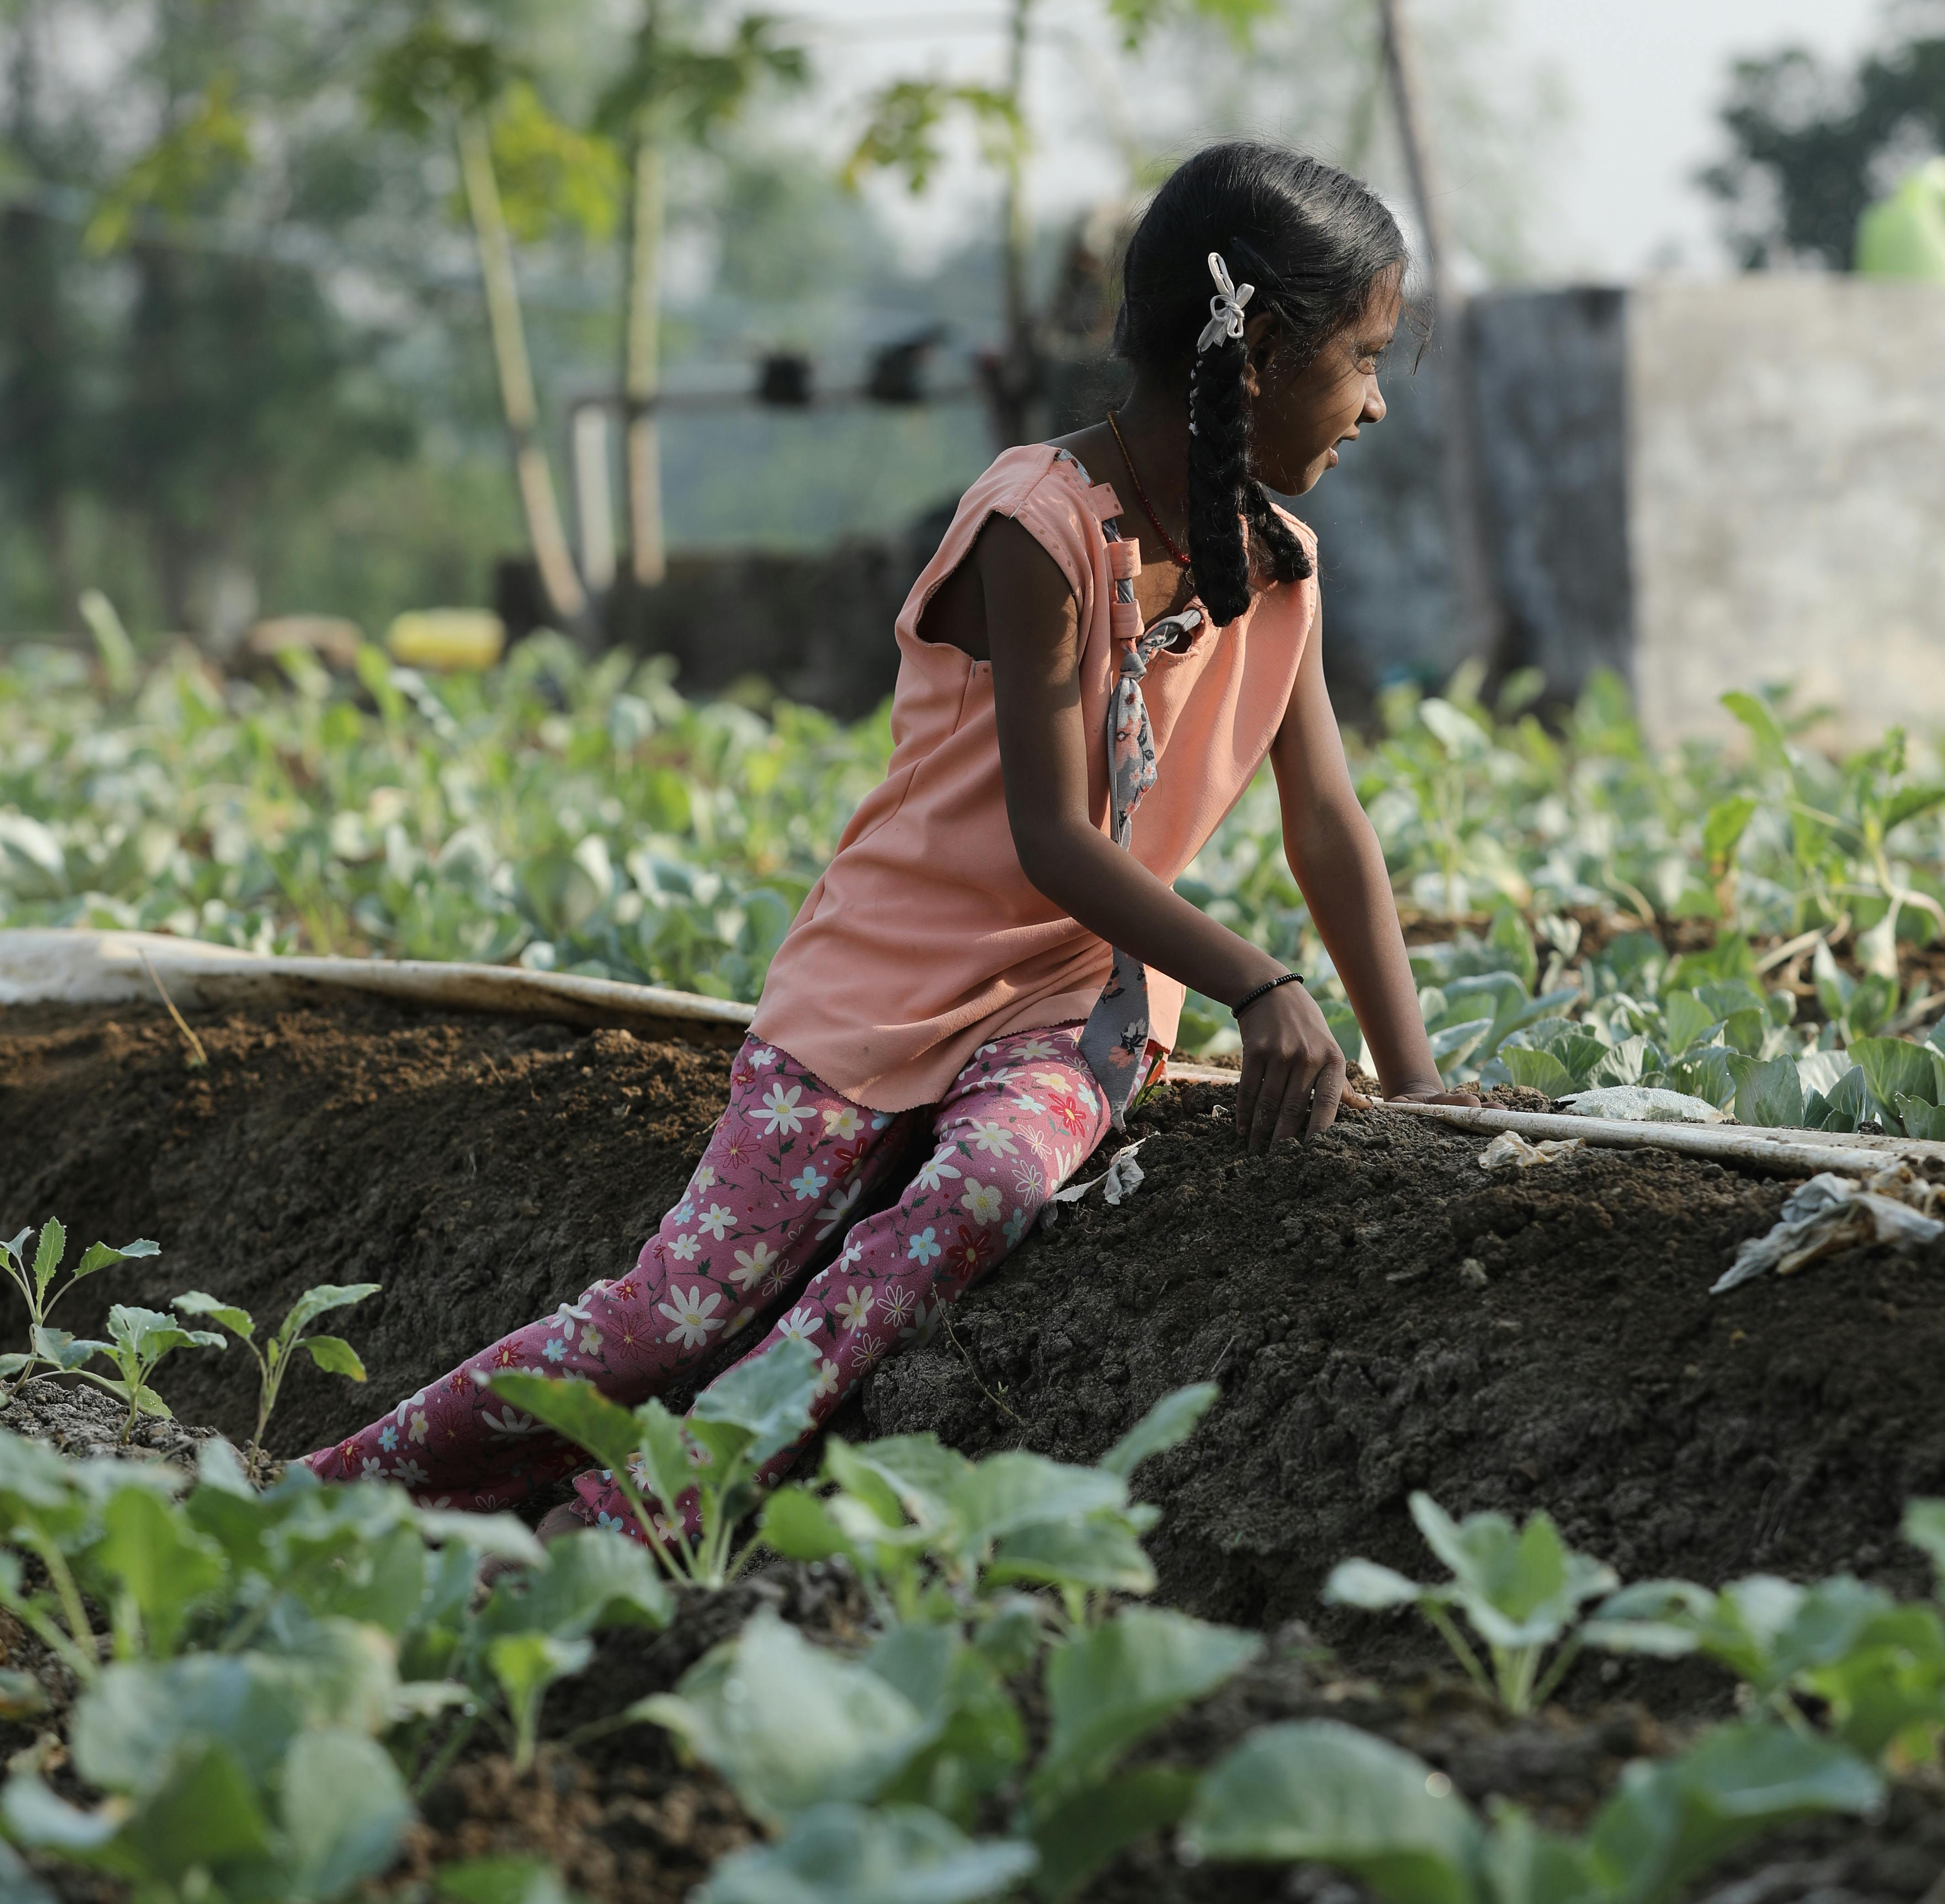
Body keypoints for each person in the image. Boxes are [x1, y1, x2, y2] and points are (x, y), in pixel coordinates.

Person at [303, 141, 1445, 1538]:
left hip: (1074, 999)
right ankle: (318, 1501)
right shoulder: (1034, 525)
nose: (1378, 401)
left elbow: (1324, 819)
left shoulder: (1281, 567)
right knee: (667, 1322)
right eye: (1367, 356)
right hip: (880, 985)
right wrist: (1258, 982)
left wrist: (1418, 1079)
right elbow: (1051, 836)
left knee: (971, 1203)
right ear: (1262, 349)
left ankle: (627, 1527)